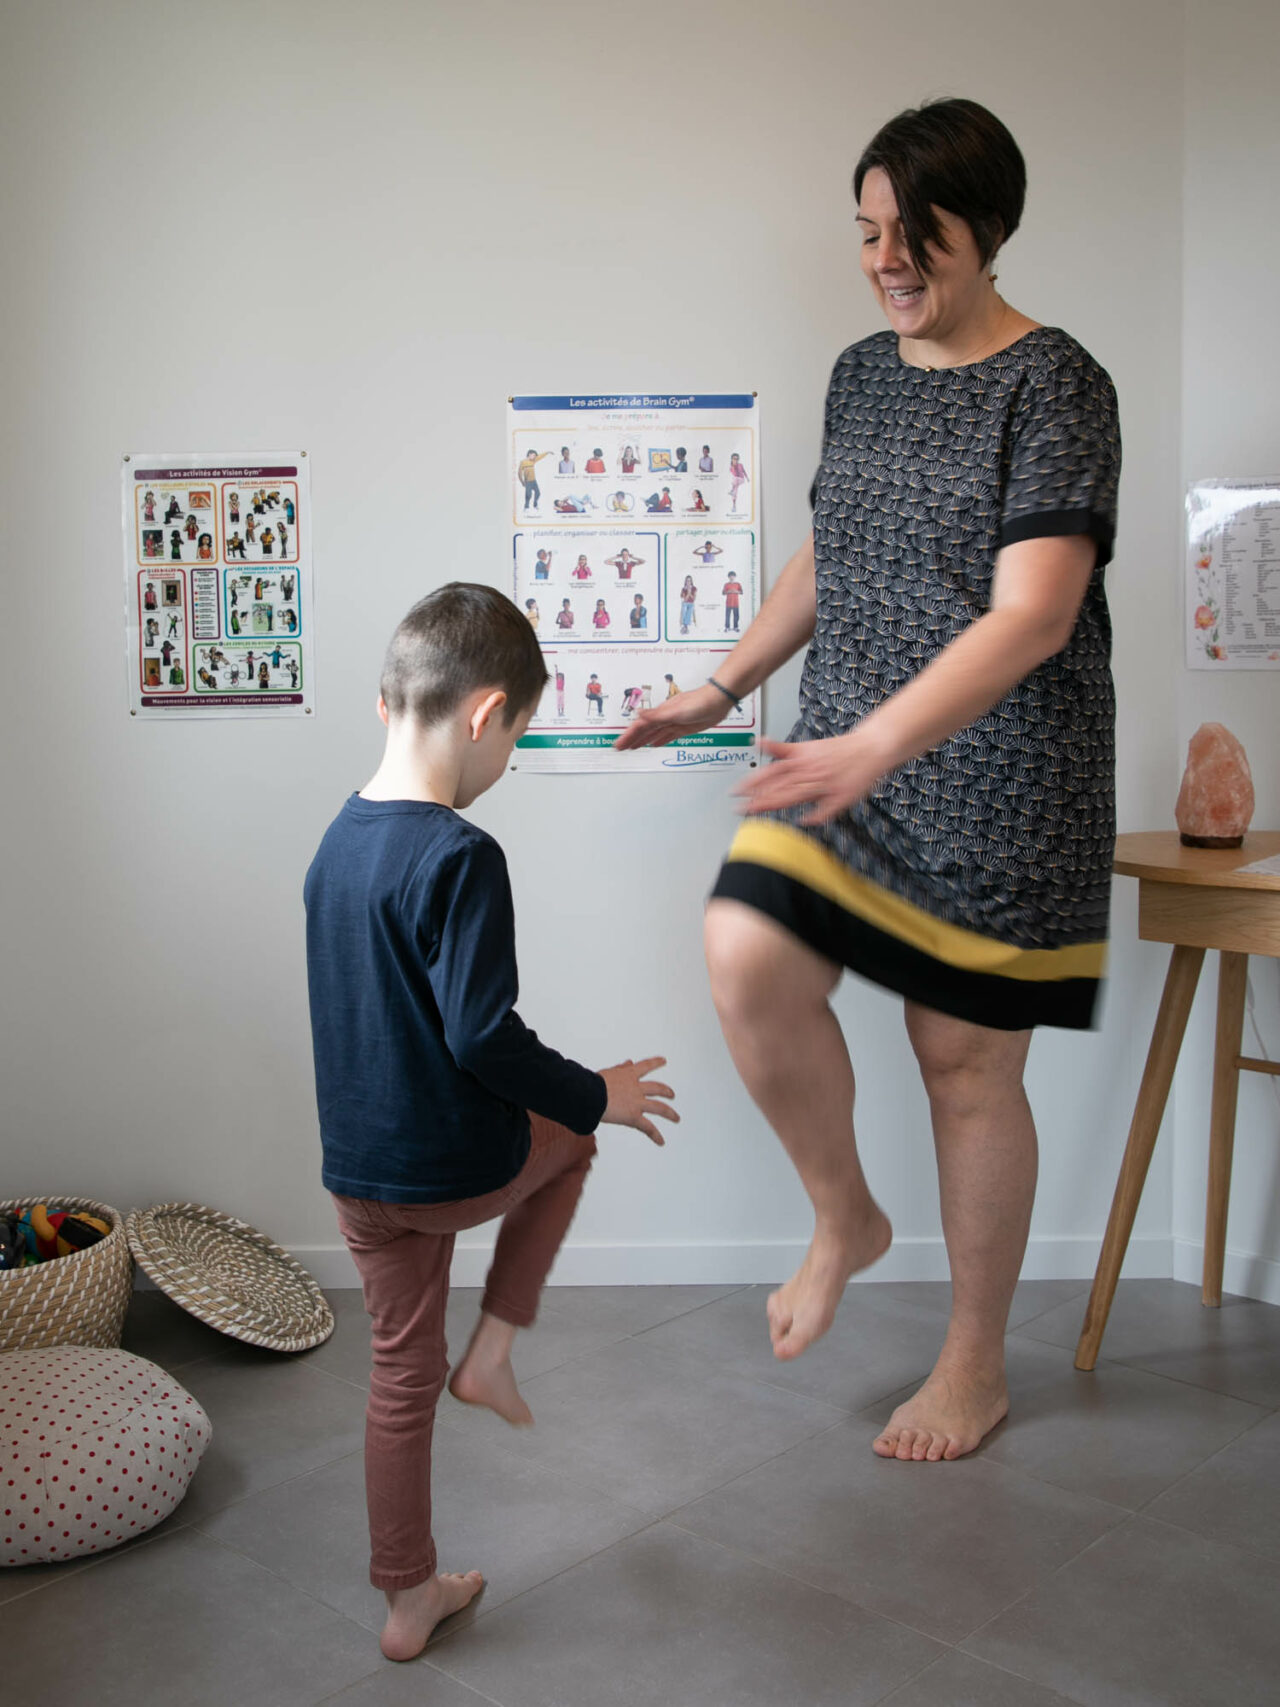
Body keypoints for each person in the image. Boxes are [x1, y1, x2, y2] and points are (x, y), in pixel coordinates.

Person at [617, 97, 1120, 1464]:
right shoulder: (863, 370)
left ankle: (972, 1362)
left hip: (1004, 773)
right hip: (845, 750)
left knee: (961, 1061)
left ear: (988, 227)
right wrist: (720, 689)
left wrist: (876, 739)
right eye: (870, 231)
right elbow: (831, 552)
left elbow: (1037, 611)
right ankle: (845, 1211)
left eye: (917, 233)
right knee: (746, 950)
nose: (888, 258)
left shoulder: (1056, 382)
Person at [304, 584, 676, 1662]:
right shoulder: (461, 856)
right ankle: (496, 1351)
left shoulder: (335, 843)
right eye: (513, 737)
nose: (504, 760)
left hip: (355, 1174)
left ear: (387, 704)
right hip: (449, 1169)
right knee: (571, 1146)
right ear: (484, 716)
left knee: (394, 1374)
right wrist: (592, 1092)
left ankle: (407, 1597)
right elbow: (482, 1040)